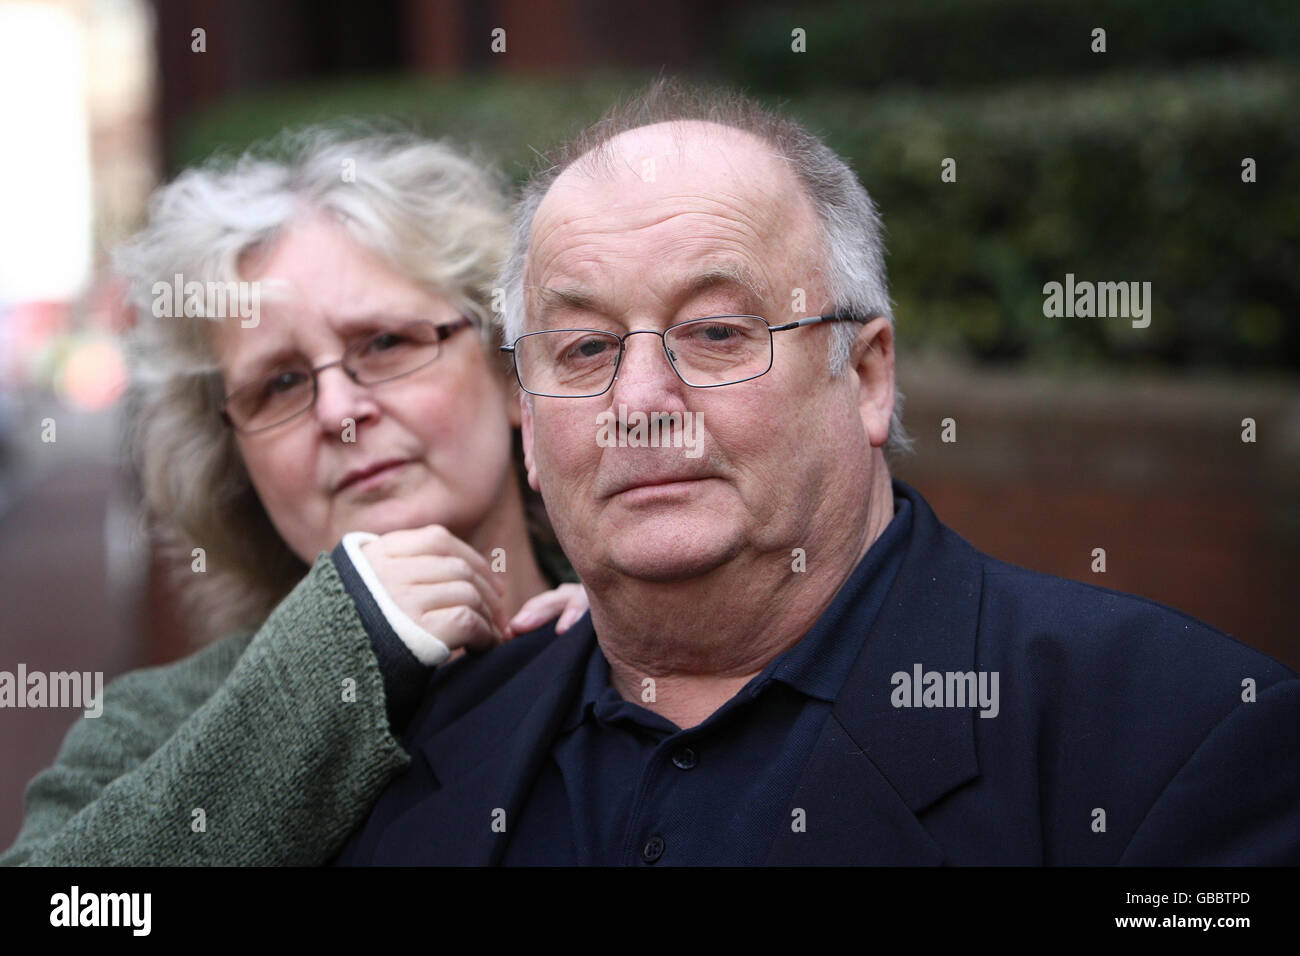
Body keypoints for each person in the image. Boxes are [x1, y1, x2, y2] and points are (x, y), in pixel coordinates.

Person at [334, 81, 1300, 866]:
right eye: (583, 349)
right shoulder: (420, 745)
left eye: (715, 333)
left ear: (868, 375)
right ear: (531, 428)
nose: (638, 400)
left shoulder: (1169, 738)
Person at [1, 128, 587, 866]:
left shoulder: (638, 644)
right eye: (278, 383)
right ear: (234, 461)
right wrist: (339, 655)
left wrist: (631, 632)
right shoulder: (153, 726)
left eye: (385, 343)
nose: (339, 412)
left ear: (513, 372)